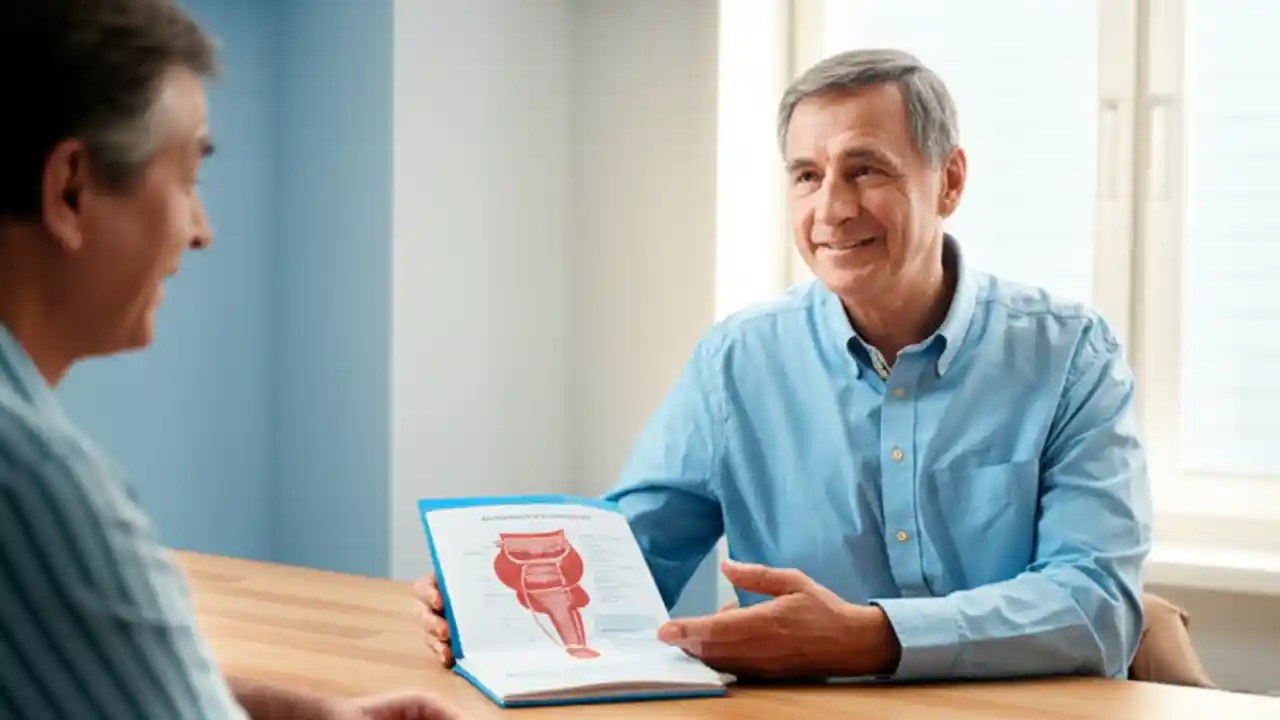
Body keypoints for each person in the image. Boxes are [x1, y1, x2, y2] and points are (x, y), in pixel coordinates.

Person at [417, 48, 1152, 682]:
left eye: (865, 170)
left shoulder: (1067, 355)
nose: (831, 209)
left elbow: (1097, 605)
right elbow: (625, 566)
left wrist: (869, 638)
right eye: (806, 175)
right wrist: (490, 608)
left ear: (950, 182)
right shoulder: (736, 364)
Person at [0, 1, 460, 717]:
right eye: (187, 179)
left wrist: (315, 714)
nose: (201, 231)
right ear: (71, 188)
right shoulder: (37, 486)